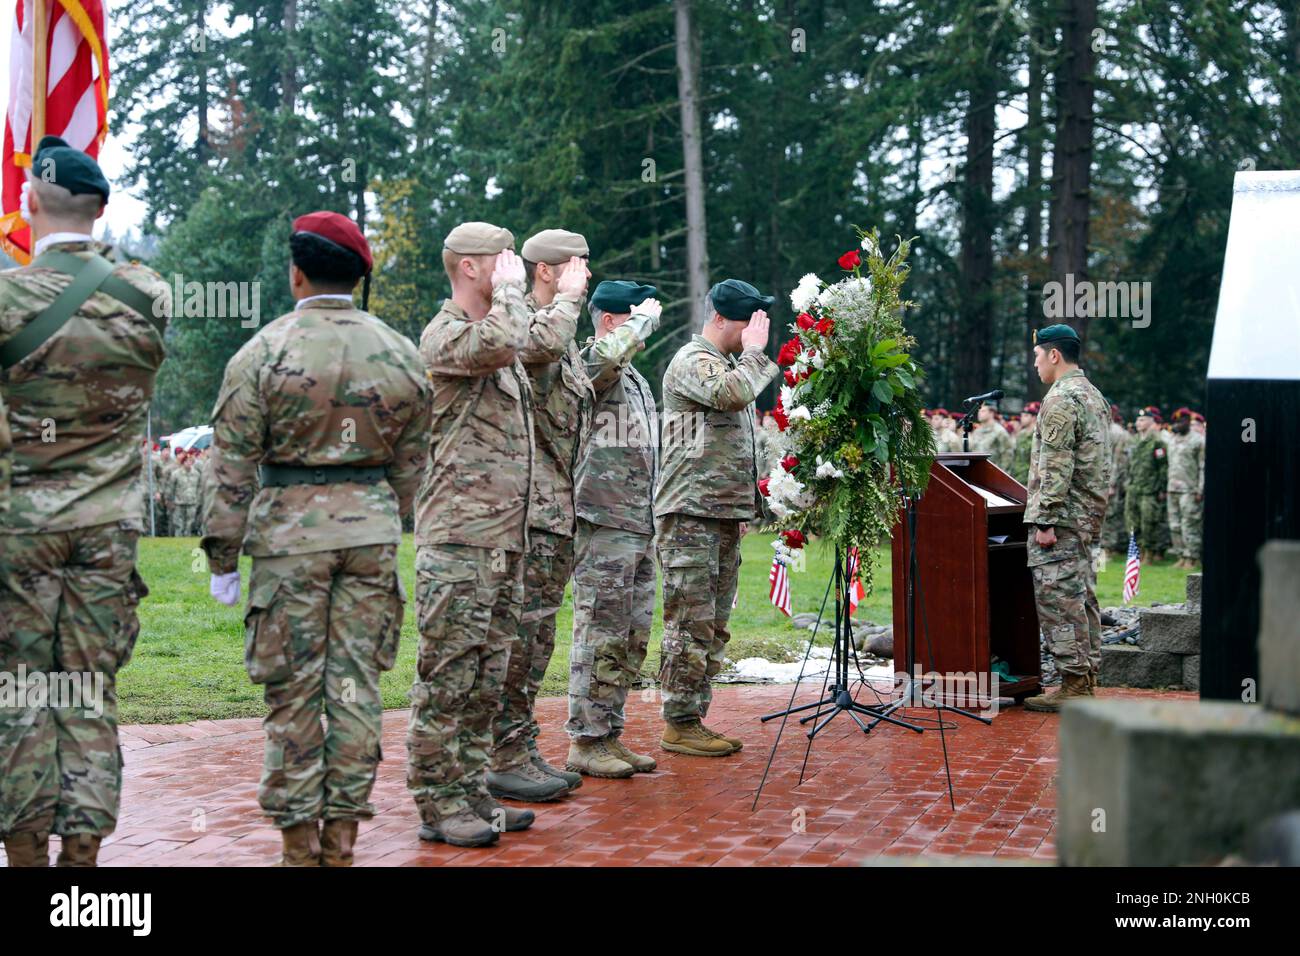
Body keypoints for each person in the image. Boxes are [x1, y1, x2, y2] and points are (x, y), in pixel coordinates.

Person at [201, 212, 430, 867]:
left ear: (296, 273)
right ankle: (343, 843)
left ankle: (299, 848)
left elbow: (233, 469)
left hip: (288, 539)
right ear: (359, 278)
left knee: (293, 694)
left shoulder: (262, 353)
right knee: (355, 688)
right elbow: (415, 467)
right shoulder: (401, 353)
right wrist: (386, 517)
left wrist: (221, 556)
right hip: (371, 536)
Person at [0, 136, 171, 867]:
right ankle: (83, 867)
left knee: (20, 697)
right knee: (90, 695)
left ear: (28, 203)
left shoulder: (8, 299)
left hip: (21, 531)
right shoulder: (147, 295)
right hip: (107, 534)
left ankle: (28, 864)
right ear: (103, 211)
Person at [406, 222, 536, 849]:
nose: (512, 267)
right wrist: (517, 293)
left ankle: (472, 790)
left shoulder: (496, 340)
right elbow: (505, 339)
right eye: (501, 260)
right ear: (468, 269)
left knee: (487, 675)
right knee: (449, 674)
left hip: (501, 540)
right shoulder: (446, 335)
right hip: (457, 540)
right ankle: (436, 802)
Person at [486, 229, 593, 803]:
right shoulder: (528, 318)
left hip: (557, 507)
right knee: (520, 634)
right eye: (575, 265)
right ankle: (501, 752)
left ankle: (521, 744)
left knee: (538, 636)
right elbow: (536, 350)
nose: (584, 275)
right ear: (545, 271)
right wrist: (570, 303)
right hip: (529, 509)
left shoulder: (563, 329)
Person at [655, 279, 777, 755]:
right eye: (748, 322)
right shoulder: (693, 361)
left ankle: (692, 718)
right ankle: (679, 721)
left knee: (714, 623)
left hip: (720, 515)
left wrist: (743, 506)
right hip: (690, 516)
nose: (754, 332)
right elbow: (733, 394)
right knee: (690, 622)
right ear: (722, 319)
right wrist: (754, 352)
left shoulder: (727, 365)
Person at [565, 280, 662, 778]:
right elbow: (601, 364)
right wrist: (642, 323)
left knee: (630, 635)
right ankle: (585, 738)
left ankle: (610, 731)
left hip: (638, 523)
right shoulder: (592, 365)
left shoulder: (637, 379)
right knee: (600, 631)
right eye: (635, 316)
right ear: (609, 321)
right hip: (604, 521)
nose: (645, 324)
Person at [1020, 325, 1111, 712]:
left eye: (1038, 355)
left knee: (1059, 600)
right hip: (1084, 516)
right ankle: (1085, 677)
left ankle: (1074, 684)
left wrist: (1045, 521)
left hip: (1062, 519)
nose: (1036, 363)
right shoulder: (1093, 395)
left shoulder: (1061, 398)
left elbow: (1056, 465)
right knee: (1081, 596)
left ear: (1054, 355)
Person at [1124, 406, 1169, 561]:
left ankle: (1149, 552)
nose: (1138, 422)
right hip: (1134, 487)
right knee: (1132, 521)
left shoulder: (1157, 442)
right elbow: (1128, 464)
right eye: (1138, 419)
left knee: (1148, 521)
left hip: (1150, 489)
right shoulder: (1134, 440)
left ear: (1150, 422)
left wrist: (1162, 488)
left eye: (1142, 420)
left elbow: (1163, 468)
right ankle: (1139, 550)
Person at [1166, 407, 1205, 569]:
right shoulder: (1172, 439)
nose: (1178, 424)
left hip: (1190, 489)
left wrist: (1200, 489)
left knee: (1189, 524)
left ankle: (1192, 557)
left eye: (1181, 421)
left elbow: (1203, 466)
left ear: (1188, 422)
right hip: (1172, 487)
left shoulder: (1198, 440)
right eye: (1176, 421)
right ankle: (1181, 555)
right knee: (1174, 525)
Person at [969, 402, 1014, 470]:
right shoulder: (977, 431)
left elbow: (1007, 455)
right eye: (979, 411)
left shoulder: (999, 431)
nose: (979, 413)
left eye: (983, 411)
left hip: (993, 472)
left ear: (991, 413)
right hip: (977, 470)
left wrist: (1002, 474)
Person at [1011, 401, 1040, 484]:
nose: (1022, 418)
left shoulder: (1038, 434)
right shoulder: (1021, 434)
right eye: (1022, 415)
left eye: (1026, 415)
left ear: (1034, 417)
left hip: (1032, 478)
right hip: (1018, 476)